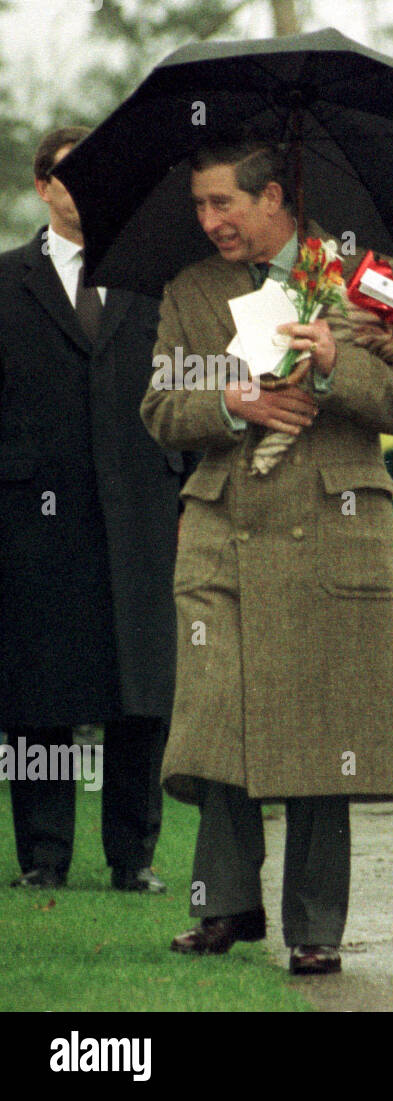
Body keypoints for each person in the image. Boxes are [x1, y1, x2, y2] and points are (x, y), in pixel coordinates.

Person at [140, 137, 393, 975]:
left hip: (333, 530)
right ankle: (222, 906)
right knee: (218, 720)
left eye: (223, 203)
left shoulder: (373, 277)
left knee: (321, 732)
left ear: (275, 199)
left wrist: (341, 365)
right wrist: (232, 403)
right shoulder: (189, 291)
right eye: (200, 206)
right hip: (223, 532)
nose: (209, 221)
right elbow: (160, 408)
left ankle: (316, 927)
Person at [0, 126, 177, 893]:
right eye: (72, 178)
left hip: (142, 509)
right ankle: (44, 854)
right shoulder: (6, 281)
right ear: (43, 187)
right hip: (33, 518)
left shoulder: (160, 282)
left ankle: (133, 856)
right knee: (41, 684)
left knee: (144, 686)